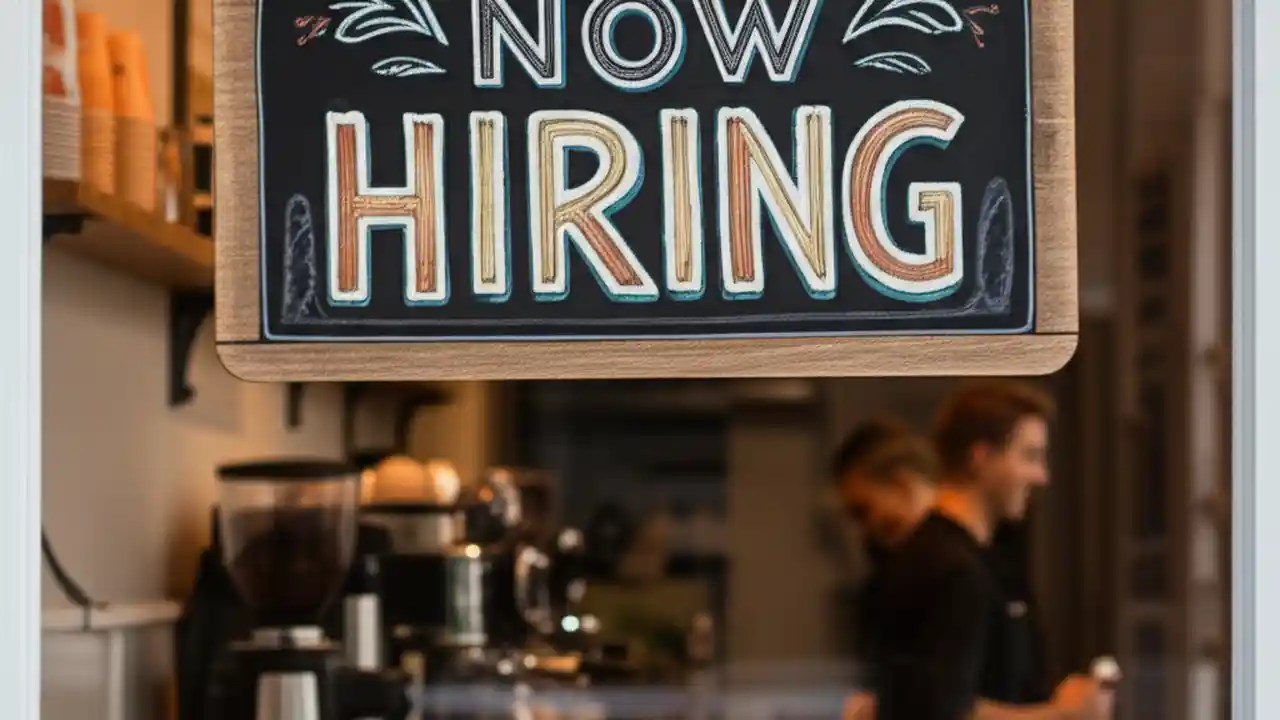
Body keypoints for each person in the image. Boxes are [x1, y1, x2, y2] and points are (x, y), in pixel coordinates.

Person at [833, 382, 1110, 720]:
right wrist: (1064, 715)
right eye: (1029, 455)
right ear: (981, 457)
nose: (1041, 476)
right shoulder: (950, 568)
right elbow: (938, 710)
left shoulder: (968, 560)